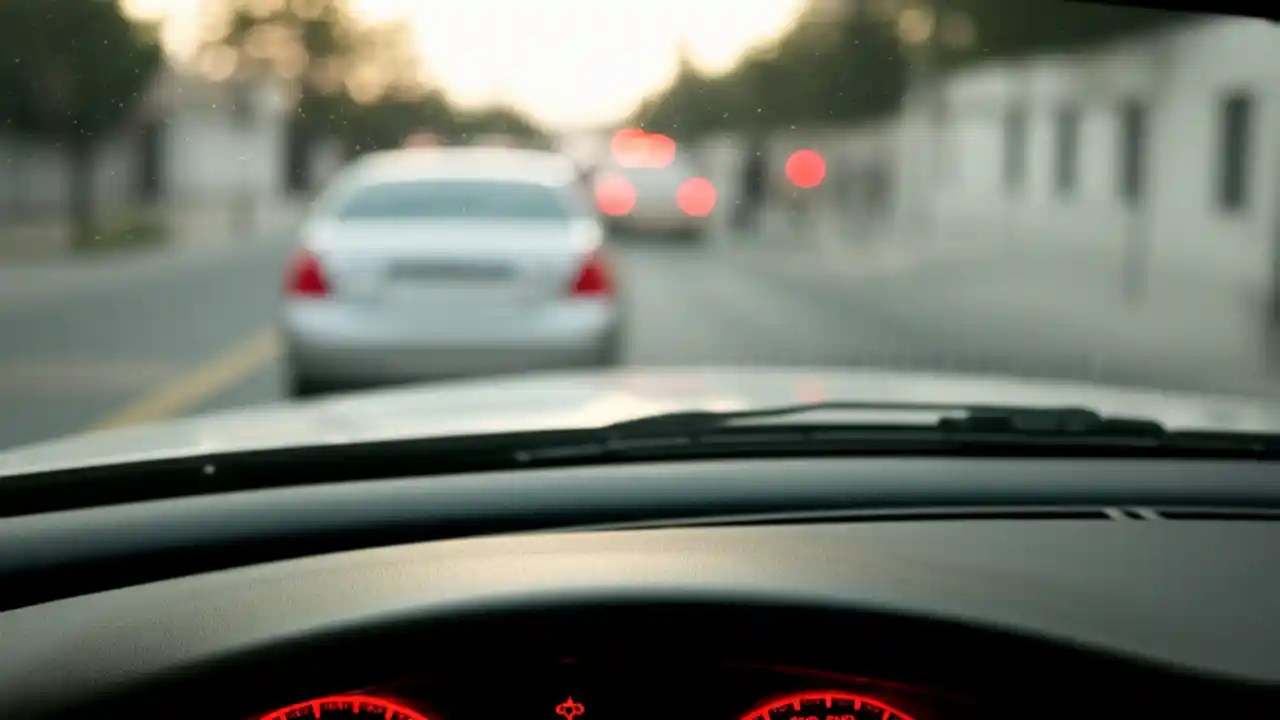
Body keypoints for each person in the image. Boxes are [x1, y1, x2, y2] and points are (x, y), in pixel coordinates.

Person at [736, 141, 767, 234]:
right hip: (753, 187)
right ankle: (747, 223)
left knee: (751, 206)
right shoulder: (757, 164)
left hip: (753, 187)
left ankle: (747, 223)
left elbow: (748, 176)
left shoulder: (753, 164)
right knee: (751, 206)